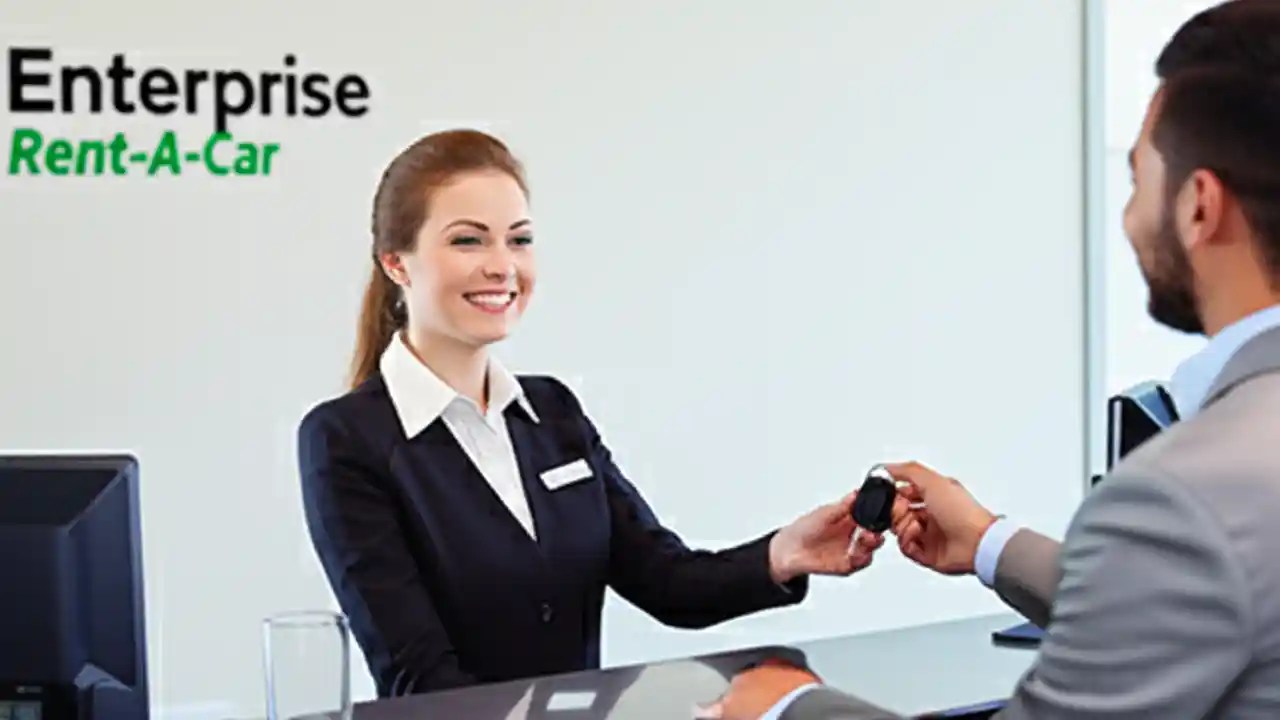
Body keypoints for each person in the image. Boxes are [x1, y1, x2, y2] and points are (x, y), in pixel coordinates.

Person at [701, 0, 1280, 717]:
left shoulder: (1186, 491)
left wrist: (787, 708)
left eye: (1137, 181)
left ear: (1199, 206)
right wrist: (986, 542)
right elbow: (1187, 598)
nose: (1129, 217)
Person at [296, 128, 886, 698]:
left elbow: (666, 580)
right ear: (397, 263)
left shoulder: (552, 411)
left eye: (518, 239)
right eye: (468, 240)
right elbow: (418, 677)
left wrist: (786, 553)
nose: (503, 266)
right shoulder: (345, 439)